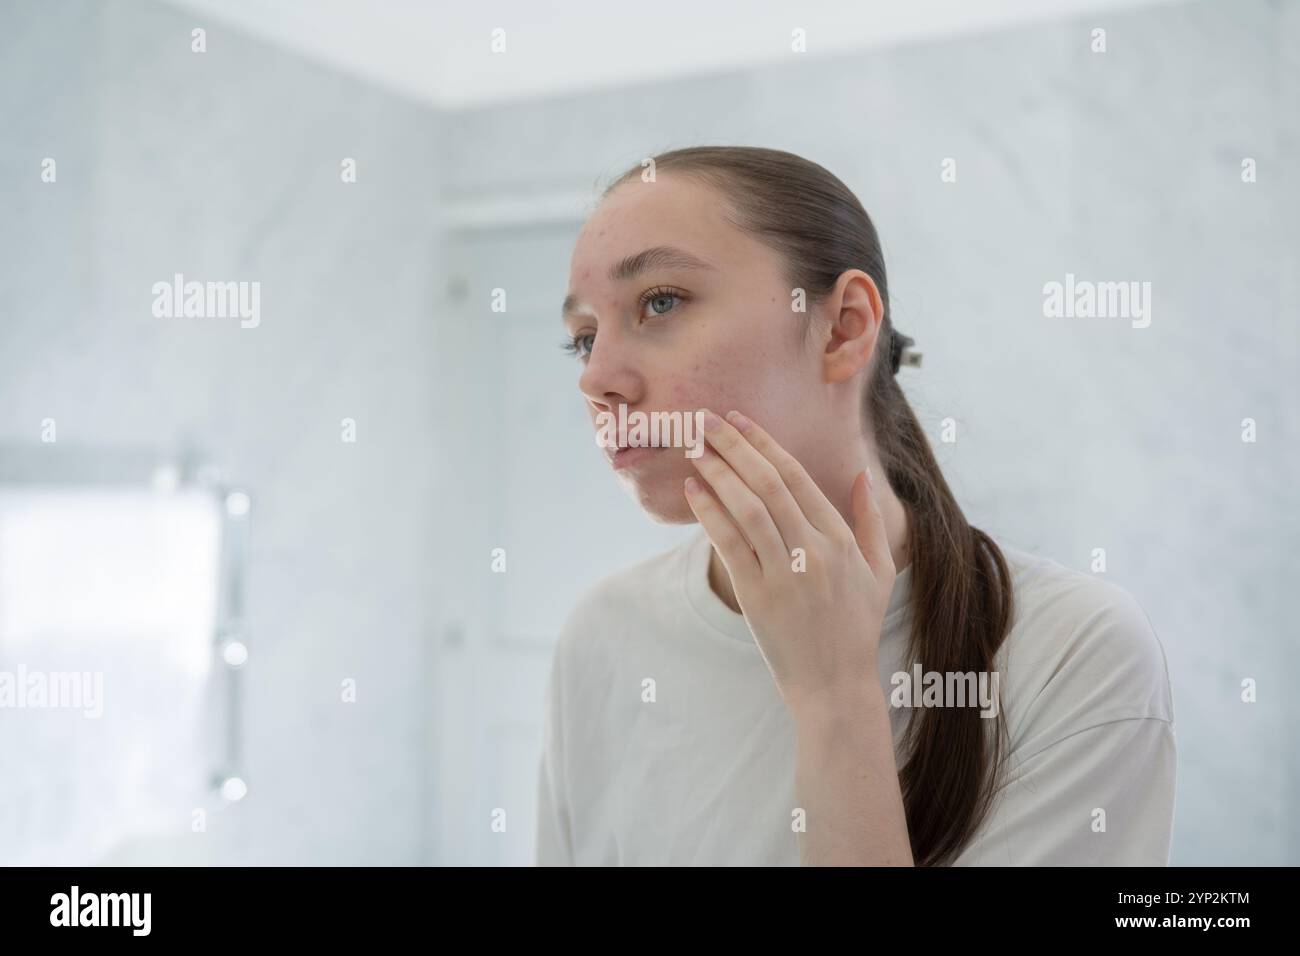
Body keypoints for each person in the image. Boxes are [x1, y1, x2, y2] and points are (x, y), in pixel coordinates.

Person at [537, 146, 1176, 866]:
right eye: (583, 338)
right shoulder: (602, 636)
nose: (597, 378)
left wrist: (835, 697)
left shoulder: (1076, 653)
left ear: (843, 327)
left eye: (660, 302)